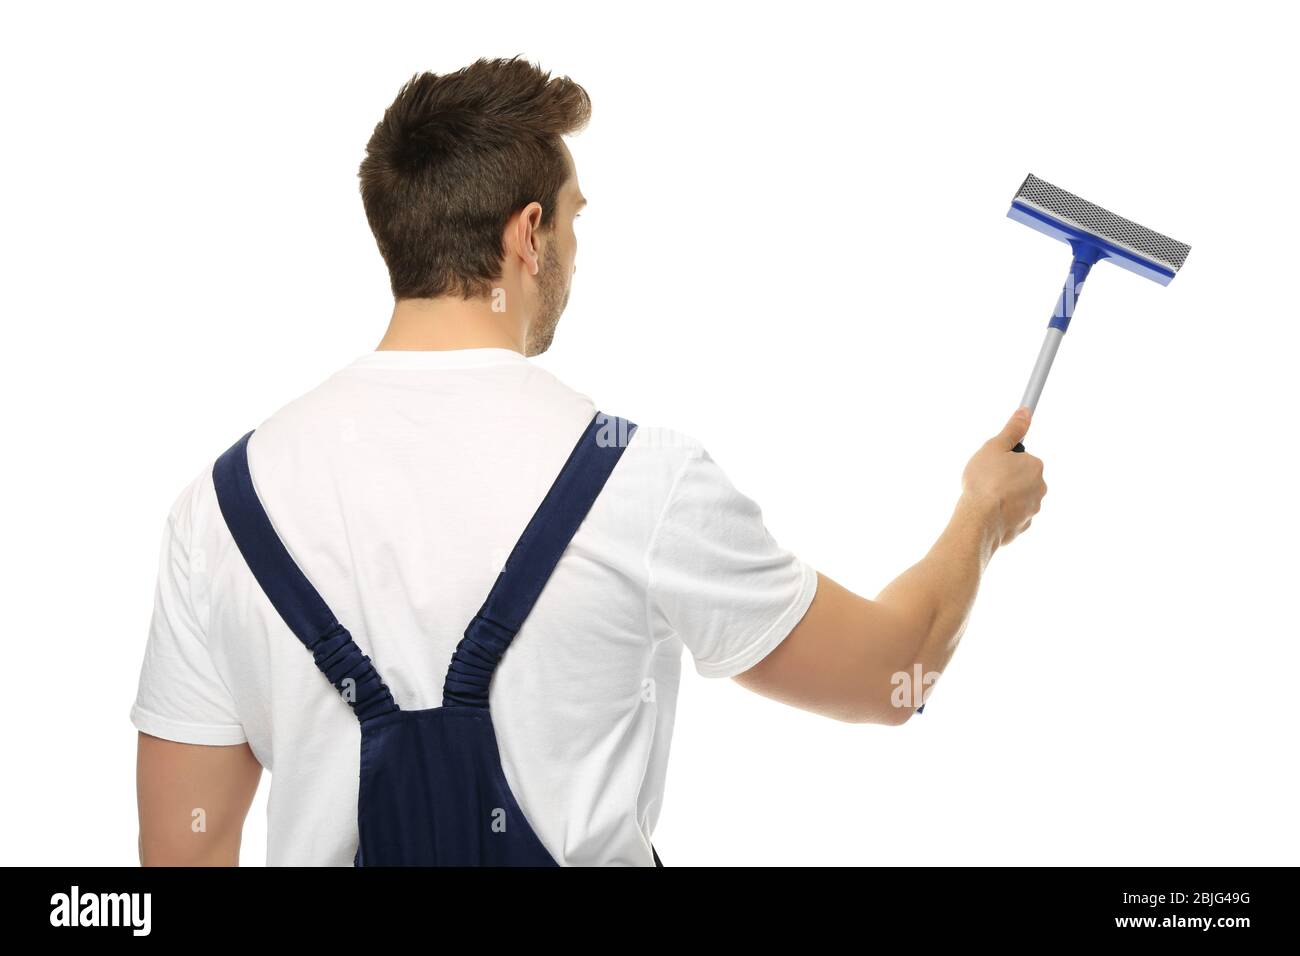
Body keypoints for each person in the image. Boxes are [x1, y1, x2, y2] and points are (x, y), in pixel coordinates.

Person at [131, 57, 1046, 866]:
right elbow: (894, 675)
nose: (575, 245)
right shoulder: (637, 479)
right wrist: (983, 516)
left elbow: (182, 850)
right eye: (573, 218)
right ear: (528, 235)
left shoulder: (221, 506)